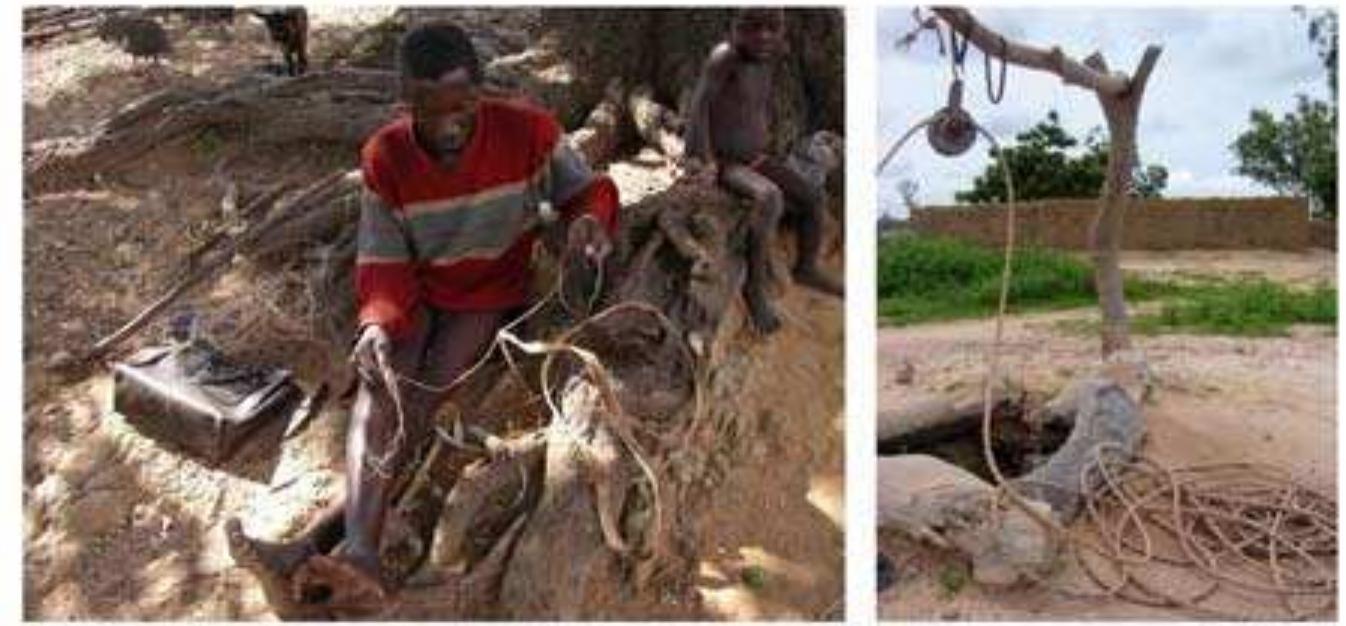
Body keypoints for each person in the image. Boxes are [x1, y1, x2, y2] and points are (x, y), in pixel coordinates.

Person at [228, 22, 619, 604]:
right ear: (403, 103)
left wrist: (589, 223)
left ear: (481, 91)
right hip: (417, 291)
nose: (447, 126)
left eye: (461, 108)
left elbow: (587, 192)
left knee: (424, 396)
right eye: (428, 112)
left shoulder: (528, 130)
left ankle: (321, 545)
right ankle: (353, 552)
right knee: (378, 390)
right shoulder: (385, 156)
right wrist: (378, 325)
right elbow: (382, 261)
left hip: (489, 289)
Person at [683, 8, 843, 335]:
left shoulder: (769, 57)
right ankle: (755, 288)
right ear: (735, 27)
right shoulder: (724, 57)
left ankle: (806, 266)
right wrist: (704, 161)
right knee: (770, 197)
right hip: (725, 162)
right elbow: (699, 108)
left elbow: (753, 105)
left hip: (756, 157)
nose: (764, 36)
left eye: (772, 28)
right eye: (752, 27)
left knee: (812, 196)